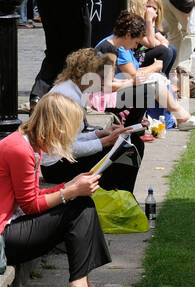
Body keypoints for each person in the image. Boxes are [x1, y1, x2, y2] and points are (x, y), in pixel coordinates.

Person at [0, 93, 117, 287]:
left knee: (81, 201)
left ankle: (82, 283)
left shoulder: (29, 144)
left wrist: (70, 186)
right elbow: (30, 205)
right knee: (79, 207)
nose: (71, 135)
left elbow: (31, 196)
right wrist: (71, 191)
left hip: (2, 228)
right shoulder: (20, 149)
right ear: (57, 125)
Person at [43, 48, 144, 194]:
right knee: (128, 148)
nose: (103, 83)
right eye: (101, 77)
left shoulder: (72, 90)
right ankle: (120, 198)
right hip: (57, 166)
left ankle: (122, 197)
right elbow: (69, 148)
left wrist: (101, 134)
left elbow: (72, 138)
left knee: (132, 141)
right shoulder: (69, 97)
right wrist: (105, 141)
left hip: (62, 158)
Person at [96, 11, 195, 130]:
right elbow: (107, 87)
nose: (135, 47)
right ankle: (133, 127)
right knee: (151, 89)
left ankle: (134, 128)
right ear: (128, 35)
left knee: (150, 87)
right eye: (136, 42)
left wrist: (130, 82)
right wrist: (131, 82)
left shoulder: (111, 47)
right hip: (102, 102)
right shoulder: (108, 50)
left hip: (104, 97)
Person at [127, 0, 178, 78]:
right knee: (164, 51)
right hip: (133, 58)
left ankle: (164, 78)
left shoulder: (146, 22)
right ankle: (159, 80)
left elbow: (163, 40)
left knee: (172, 49)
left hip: (140, 54)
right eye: (147, 6)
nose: (149, 10)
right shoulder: (134, 23)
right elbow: (151, 43)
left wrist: (151, 23)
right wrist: (149, 20)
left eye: (154, 8)